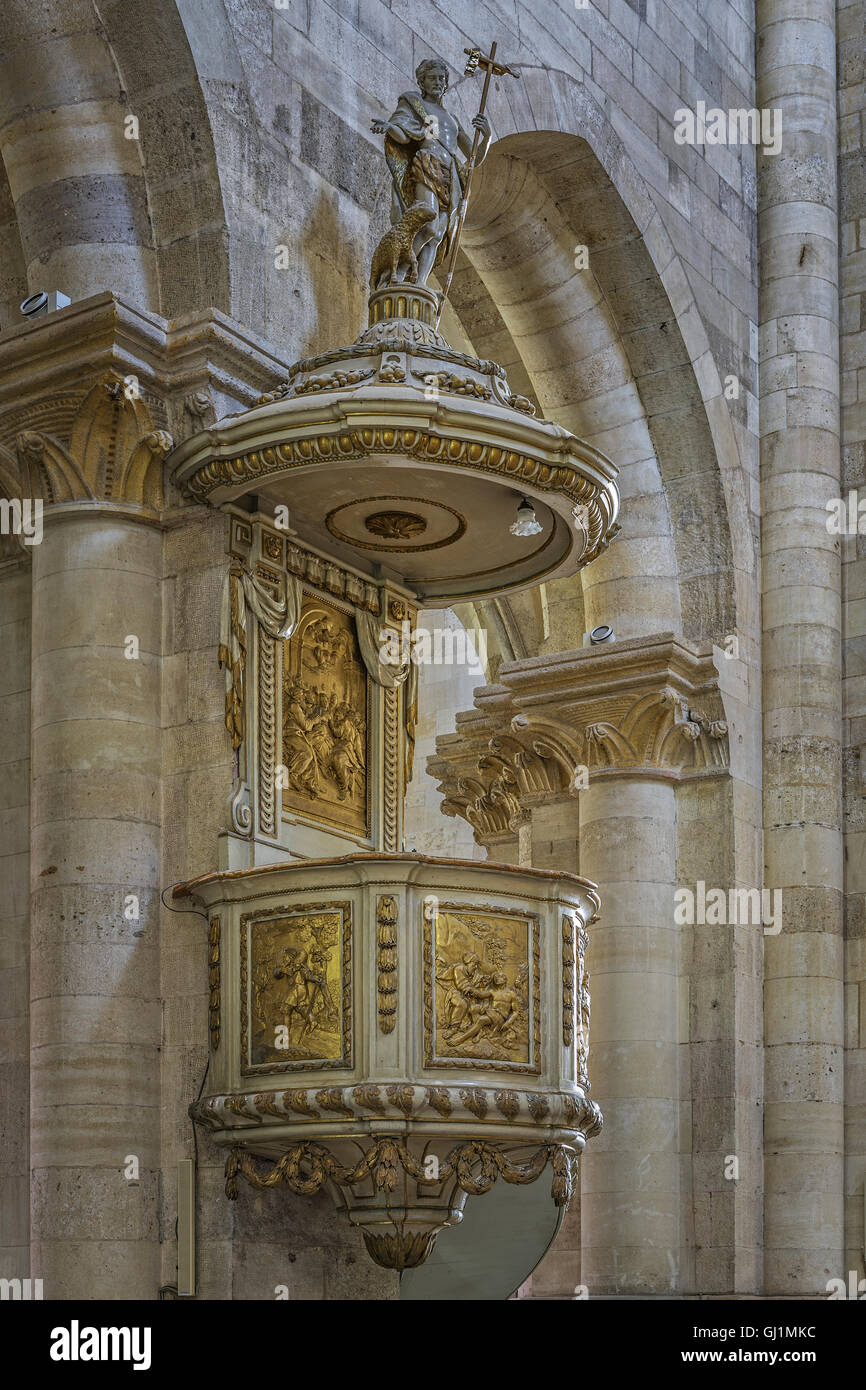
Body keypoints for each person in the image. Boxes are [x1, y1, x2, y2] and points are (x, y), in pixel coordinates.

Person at [372, 58, 491, 287]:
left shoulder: (453, 120)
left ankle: (420, 284)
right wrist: (389, 127)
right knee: (427, 223)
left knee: (437, 235)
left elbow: (473, 156)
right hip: (427, 165)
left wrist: (487, 137)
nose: (438, 82)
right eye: (432, 78)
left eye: (442, 78)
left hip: (451, 177)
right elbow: (406, 135)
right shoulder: (415, 104)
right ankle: (397, 273)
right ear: (422, 82)